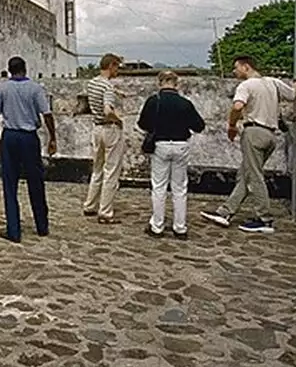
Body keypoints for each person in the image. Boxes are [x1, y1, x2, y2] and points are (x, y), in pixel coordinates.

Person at [201, 56, 296, 233]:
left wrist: (232, 125)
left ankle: (264, 218)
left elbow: (238, 106)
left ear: (246, 67)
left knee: (254, 176)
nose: (234, 72)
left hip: (254, 131)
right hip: (270, 134)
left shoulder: (246, 86)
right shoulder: (273, 82)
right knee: (246, 174)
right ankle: (225, 212)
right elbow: (293, 94)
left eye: (236, 68)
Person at [0, 56, 57, 243]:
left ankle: (14, 229)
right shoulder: (35, 88)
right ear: (25, 69)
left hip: (10, 136)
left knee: (9, 183)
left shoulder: (2, 89)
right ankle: (42, 225)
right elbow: (47, 114)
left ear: (9, 70)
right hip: (29, 137)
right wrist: (53, 137)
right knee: (35, 180)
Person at [136, 70, 206, 239]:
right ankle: (180, 227)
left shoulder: (153, 101)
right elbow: (199, 126)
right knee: (180, 187)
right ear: (177, 84)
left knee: (159, 186)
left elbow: (142, 123)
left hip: (160, 145)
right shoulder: (185, 103)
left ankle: (157, 225)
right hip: (181, 145)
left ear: (159, 83)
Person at [83, 53, 126, 224]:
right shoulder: (107, 87)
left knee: (97, 169)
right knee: (112, 171)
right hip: (110, 129)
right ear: (111, 66)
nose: (118, 71)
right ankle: (105, 211)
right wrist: (118, 120)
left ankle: (90, 205)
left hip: (97, 129)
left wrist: (116, 92)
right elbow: (107, 110)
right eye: (117, 67)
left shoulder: (92, 83)